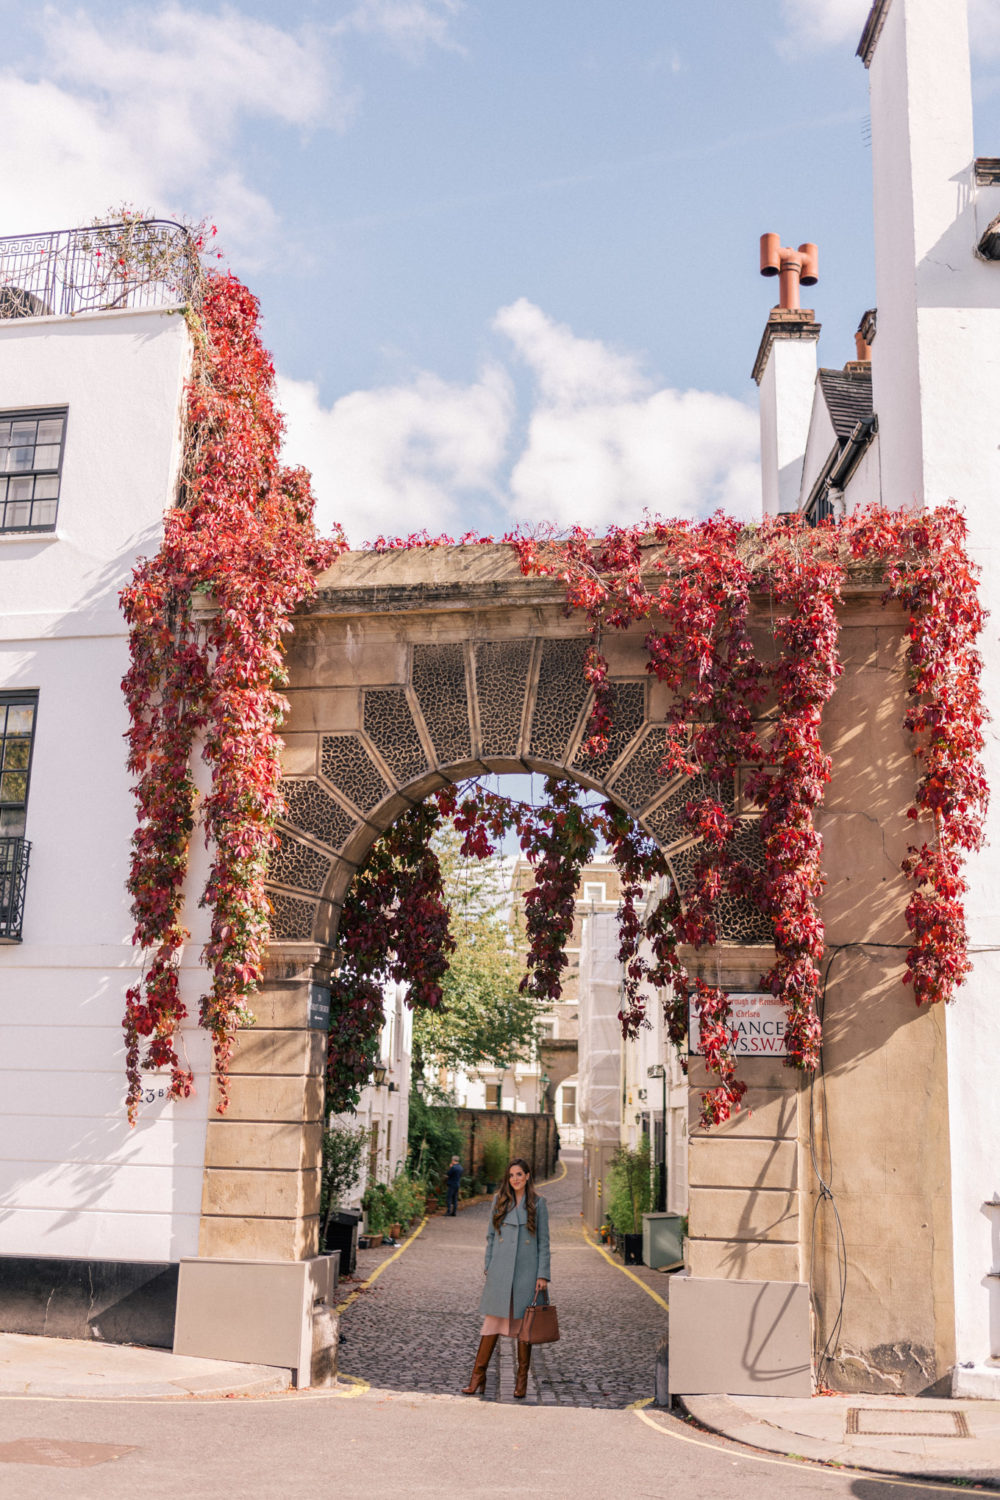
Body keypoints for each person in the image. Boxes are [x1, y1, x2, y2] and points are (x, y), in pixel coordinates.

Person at [462, 1157, 550, 1400]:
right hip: (500, 1270)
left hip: (527, 1272)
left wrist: (543, 1274)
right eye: (511, 1175)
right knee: (492, 1323)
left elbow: (544, 1241)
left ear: (528, 1176)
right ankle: (477, 1377)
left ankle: (521, 1380)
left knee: (524, 1327)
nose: (515, 1179)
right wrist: (488, 1265)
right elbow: (491, 1236)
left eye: (519, 1174)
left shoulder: (538, 1203)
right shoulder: (499, 1200)